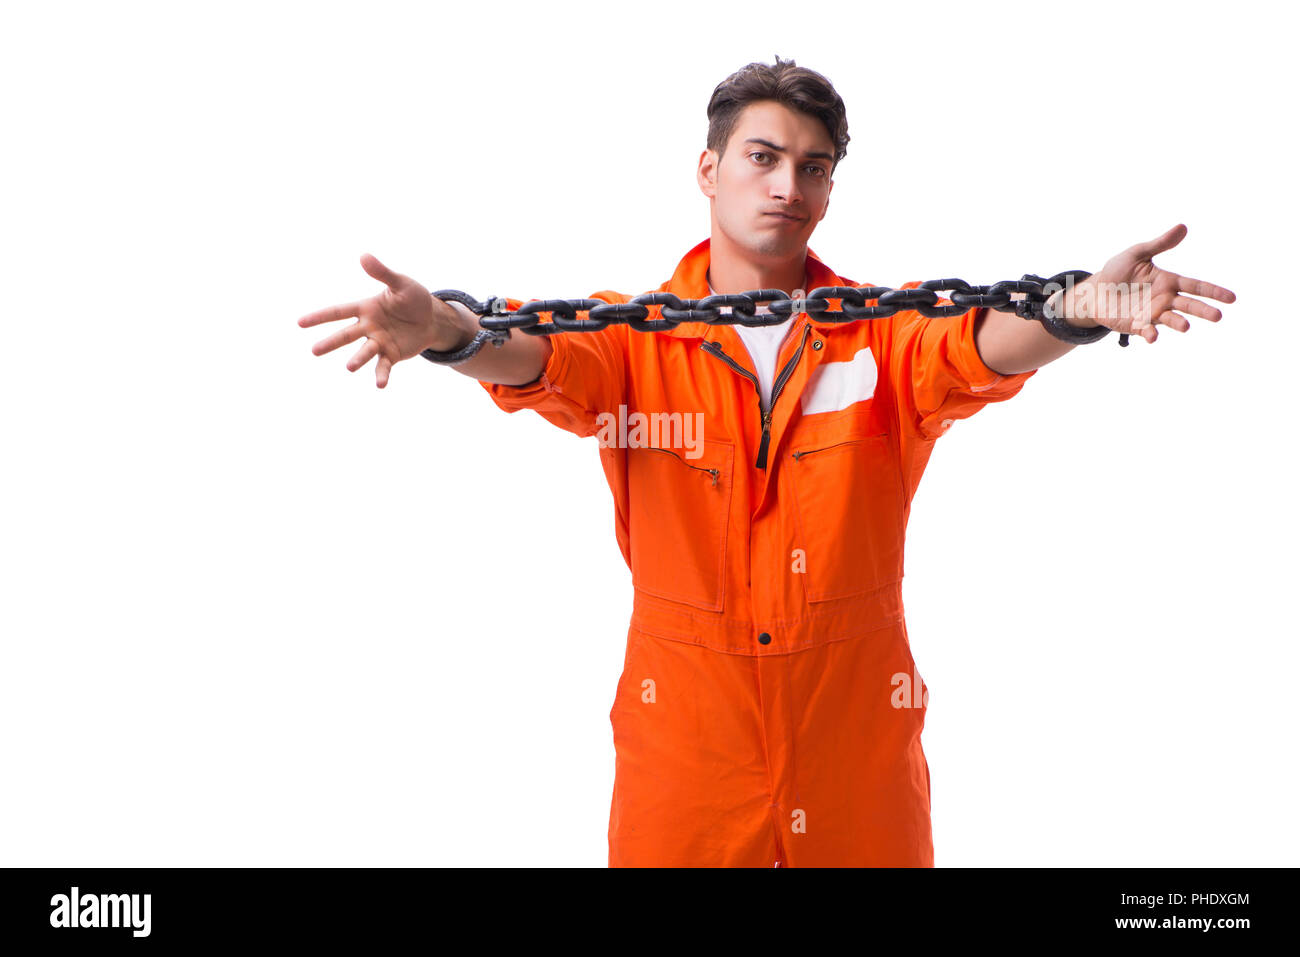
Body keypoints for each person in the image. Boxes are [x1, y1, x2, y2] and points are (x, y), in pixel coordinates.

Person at [297, 57, 1235, 866]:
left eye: (813, 167)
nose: (788, 185)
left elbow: (978, 347)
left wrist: (1075, 310)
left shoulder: (881, 334)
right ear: (708, 169)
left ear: (831, 190)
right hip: (688, 745)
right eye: (764, 157)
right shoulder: (635, 338)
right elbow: (542, 363)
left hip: (854, 739)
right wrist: (447, 335)